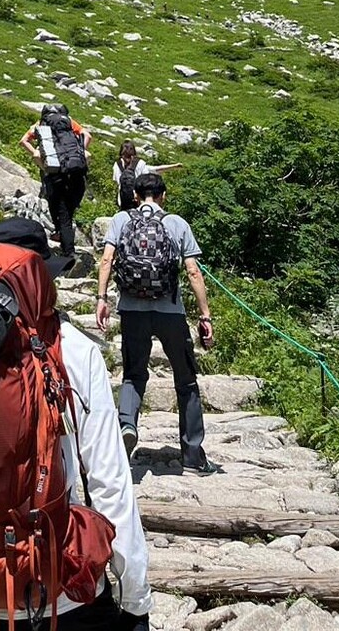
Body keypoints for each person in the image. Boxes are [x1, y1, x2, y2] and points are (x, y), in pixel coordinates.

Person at [0, 219, 151, 630]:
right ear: (41, 278)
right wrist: (135, 595)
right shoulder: (73, 350)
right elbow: (110, 484)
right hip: (52, 593)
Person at [95, 172, 218, 474]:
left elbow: (107, 260)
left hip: (132, 311)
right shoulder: (176, 224)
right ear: (163, 195)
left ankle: (127, 425)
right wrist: (205, 315)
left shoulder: (121, 220)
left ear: (135, 196)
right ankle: (192, 455)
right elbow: (192, 272)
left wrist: (101, 299)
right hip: (170, 312)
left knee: (133, 375)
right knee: (186, 380)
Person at [21, 105, 91, 256]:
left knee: (61, 211)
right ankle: (63, 236)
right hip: (76, 170)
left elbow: (23, 141)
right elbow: (88, 136)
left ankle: (68, 252)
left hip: (55, 173)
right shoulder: (69, 121)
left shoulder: (40, 124)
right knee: (68, 210)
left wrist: (36, 153)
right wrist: (80, 151)